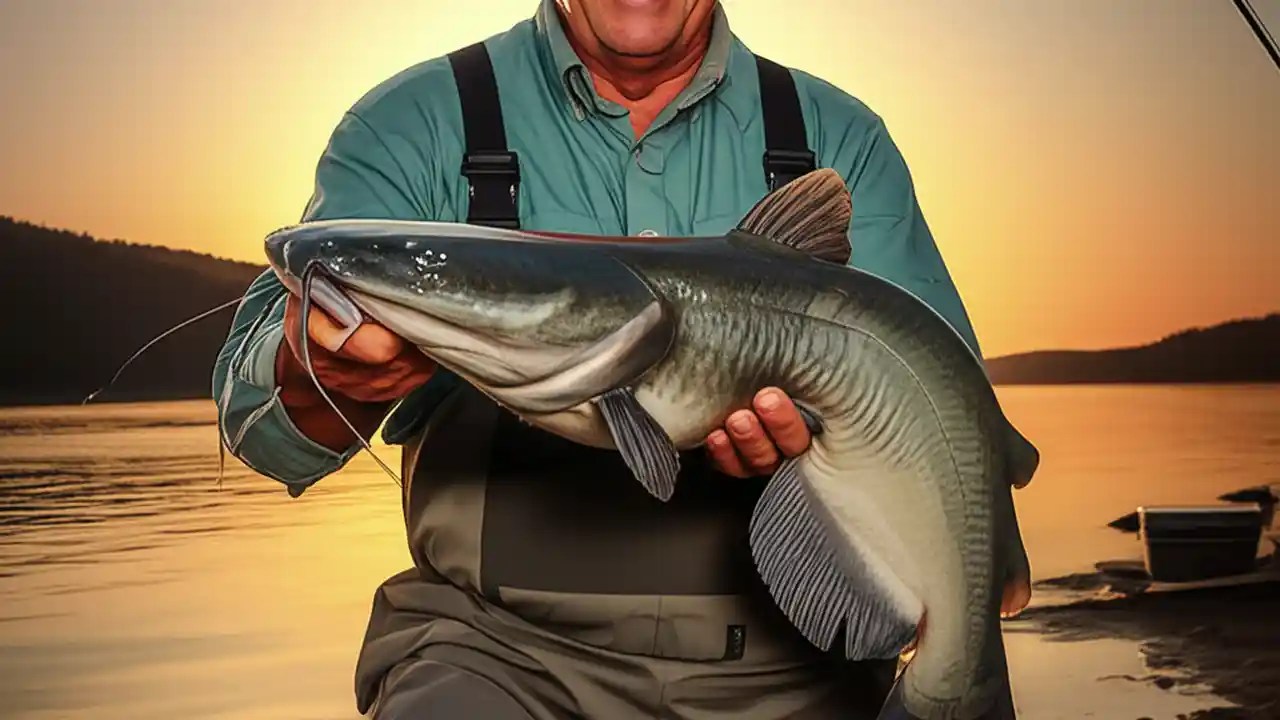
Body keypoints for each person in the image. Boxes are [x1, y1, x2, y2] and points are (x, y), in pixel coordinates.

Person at [212, 1, 1019, 717]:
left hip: (795, 672)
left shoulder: (839, 135)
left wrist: (955, 625)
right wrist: (329, 381)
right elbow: (261, 426)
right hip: (497, 659)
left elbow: (953, 427)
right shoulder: (414, 121)